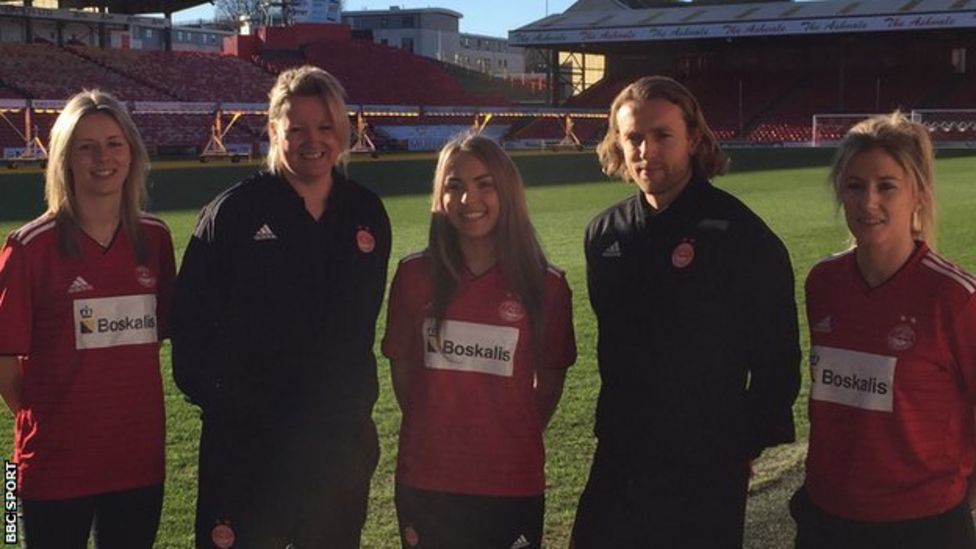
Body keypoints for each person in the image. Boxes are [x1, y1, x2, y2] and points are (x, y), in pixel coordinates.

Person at [571, 75, 801, 548]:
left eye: (661, 136)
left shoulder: (742, 236)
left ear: (694, 138)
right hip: (621, 456)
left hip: (704, 467)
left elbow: (779, 364)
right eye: (633, 137)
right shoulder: (604, 234)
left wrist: (736, 446)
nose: (645, 151)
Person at [170, 65, 391, 548]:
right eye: (297, 130)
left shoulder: (366, 212)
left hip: (337, 449)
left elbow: (361, 328)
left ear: (343, 131)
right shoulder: (232, 214)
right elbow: (188, 333)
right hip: (249, 455)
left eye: (325, 127)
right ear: (274, 131)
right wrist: (236, 410)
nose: (313, 141)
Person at [790, 112, 976, 549]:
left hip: (924, 523)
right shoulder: (824, 282)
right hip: (828, 515)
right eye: (855, 186)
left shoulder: (954, 297)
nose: (867, 202)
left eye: (886, 186)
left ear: (918, 195)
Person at [382, 132, 577, 549]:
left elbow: (551, 380)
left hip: (511, 480)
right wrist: (436, 428)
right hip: (427, 478)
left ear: (506, 191)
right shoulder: (414, 276)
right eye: (455, 186)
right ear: (440, 196)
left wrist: (511, 430)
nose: (469, 199)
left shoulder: (547, 286)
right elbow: (402, 371)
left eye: (484, 184)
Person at [0, 89, 175, 548]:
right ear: (65, 158)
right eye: (86, 146)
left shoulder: (155, 239)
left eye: (114, 143)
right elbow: (5, 365)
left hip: (138, 461)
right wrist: (59, 419)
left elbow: (148, 340)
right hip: (52, 465)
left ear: (132, 153)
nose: (103, 157)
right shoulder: (28, 247)